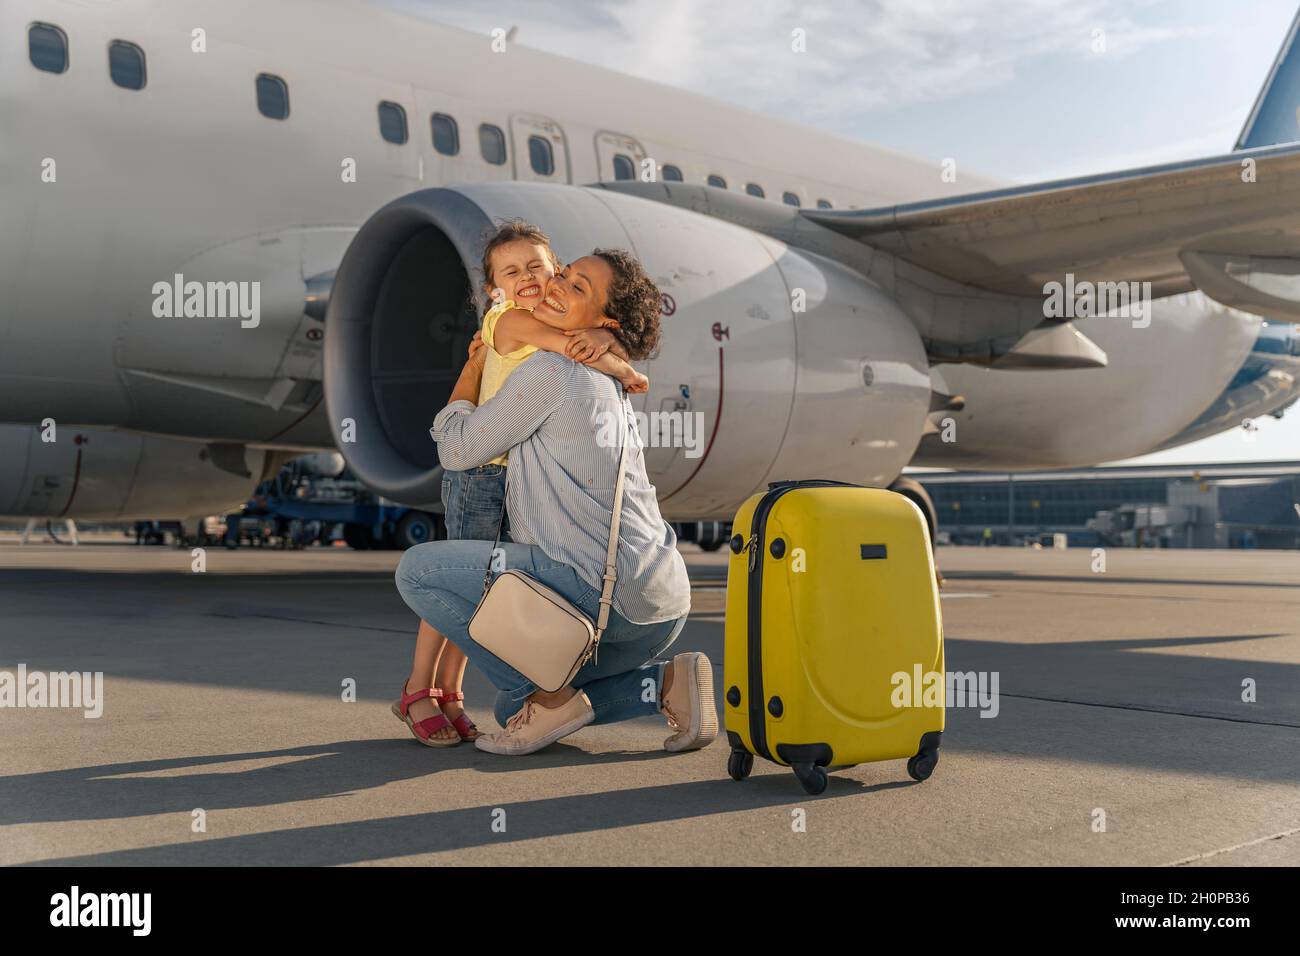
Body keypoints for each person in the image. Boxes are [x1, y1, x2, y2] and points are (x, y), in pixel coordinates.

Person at [396, 249, 717, 756]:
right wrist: (605, 340)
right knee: (511, 708)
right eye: (565, 274)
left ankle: (549, 696)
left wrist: (474, 368)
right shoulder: (611, 381)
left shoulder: (552, 371)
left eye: (579, 287)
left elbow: (456, 449)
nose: (557, 285)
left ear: (604, 322)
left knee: (417, 571)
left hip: (600, 596)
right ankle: (664, 683)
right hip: (660, 608)